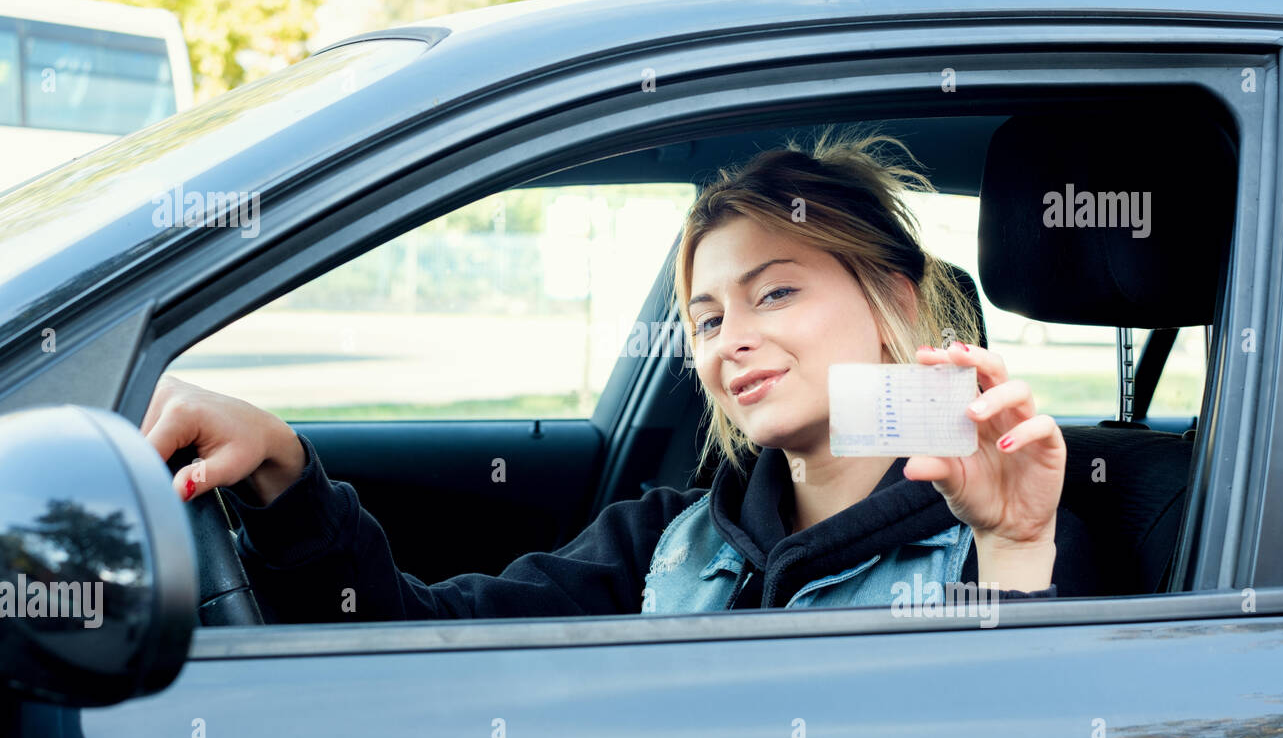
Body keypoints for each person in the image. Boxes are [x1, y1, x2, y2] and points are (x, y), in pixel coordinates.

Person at [142, 128, 1094, 624]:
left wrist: (1015, 549)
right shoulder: (664, 543)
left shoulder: (1017, 524)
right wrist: (280, 466)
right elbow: (416, 634)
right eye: (708, 319)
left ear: (892, 296)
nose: (731, 341)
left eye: (776, 294)